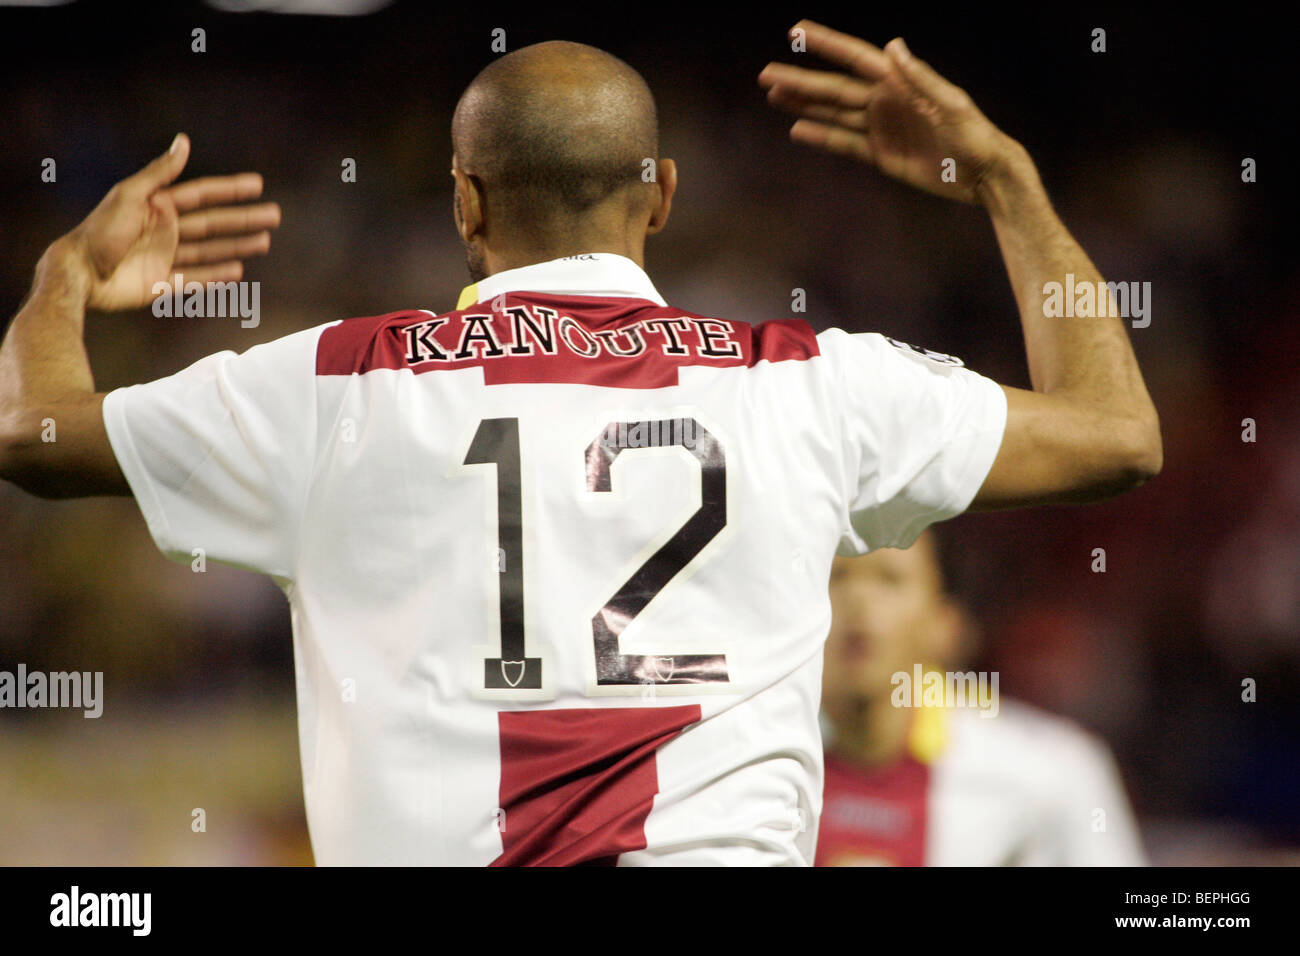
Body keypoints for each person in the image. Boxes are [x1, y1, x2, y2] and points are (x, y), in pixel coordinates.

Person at [0, 21, 1160, 865]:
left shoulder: (338, 382)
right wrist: (1007, 182)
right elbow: (1117, 435)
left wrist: (66, 280)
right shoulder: (808, 383)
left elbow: (32, 434)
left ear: (464, 201)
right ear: (660, 196)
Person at [818, 531, 1146, 865]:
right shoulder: (768, 755)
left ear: (946, 626)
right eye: (836, 577)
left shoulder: (1054, 772)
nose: (857, 600)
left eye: (890, 580)